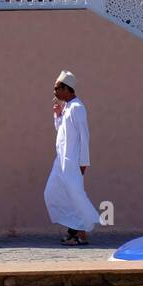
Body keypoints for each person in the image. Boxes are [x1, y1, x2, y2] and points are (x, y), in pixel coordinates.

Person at [44, 70, 100, 245]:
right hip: (60, 162)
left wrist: (84, 163)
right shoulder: (67, 107)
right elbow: (62, 132)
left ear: (66, 89)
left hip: (73, 162)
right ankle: (77, 231)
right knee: (52, 193)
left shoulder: (77, 108)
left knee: (75, 197)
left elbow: (84, 137)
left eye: (57, 88)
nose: (54, 92)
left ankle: (78, 234)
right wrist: (57, 114)